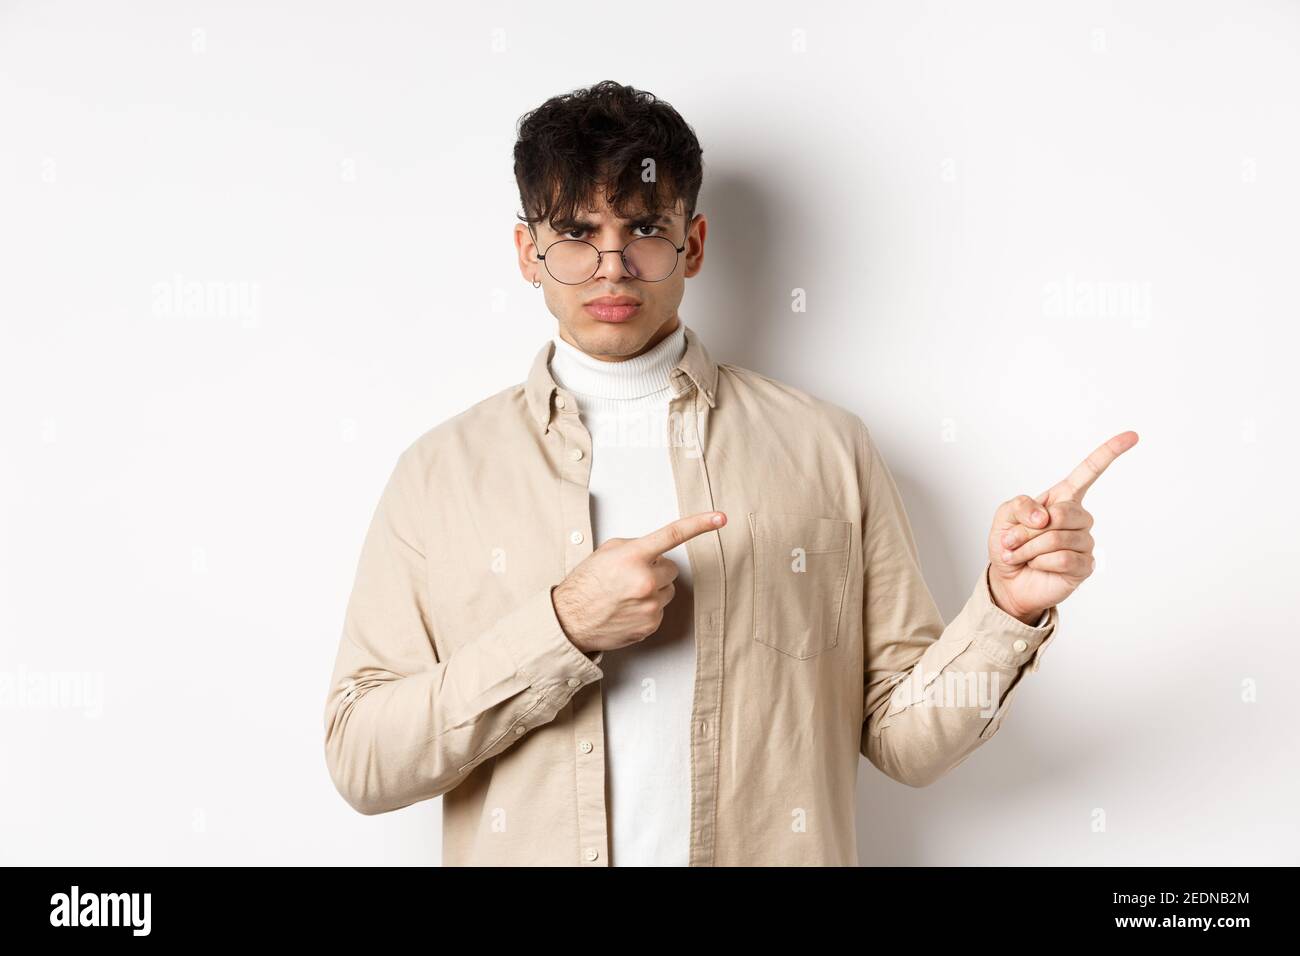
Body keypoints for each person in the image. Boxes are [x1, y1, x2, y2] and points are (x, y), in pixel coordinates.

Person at [322, 80, 1137, 866]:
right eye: (575, 234)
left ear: (694, 244)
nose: (612, 268)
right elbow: (363, 761)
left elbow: (904, 743)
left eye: (643, 230)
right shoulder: (437, 476)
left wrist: (1003, 611)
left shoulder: (828, 449)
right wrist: (563, 625)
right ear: (527, 252)